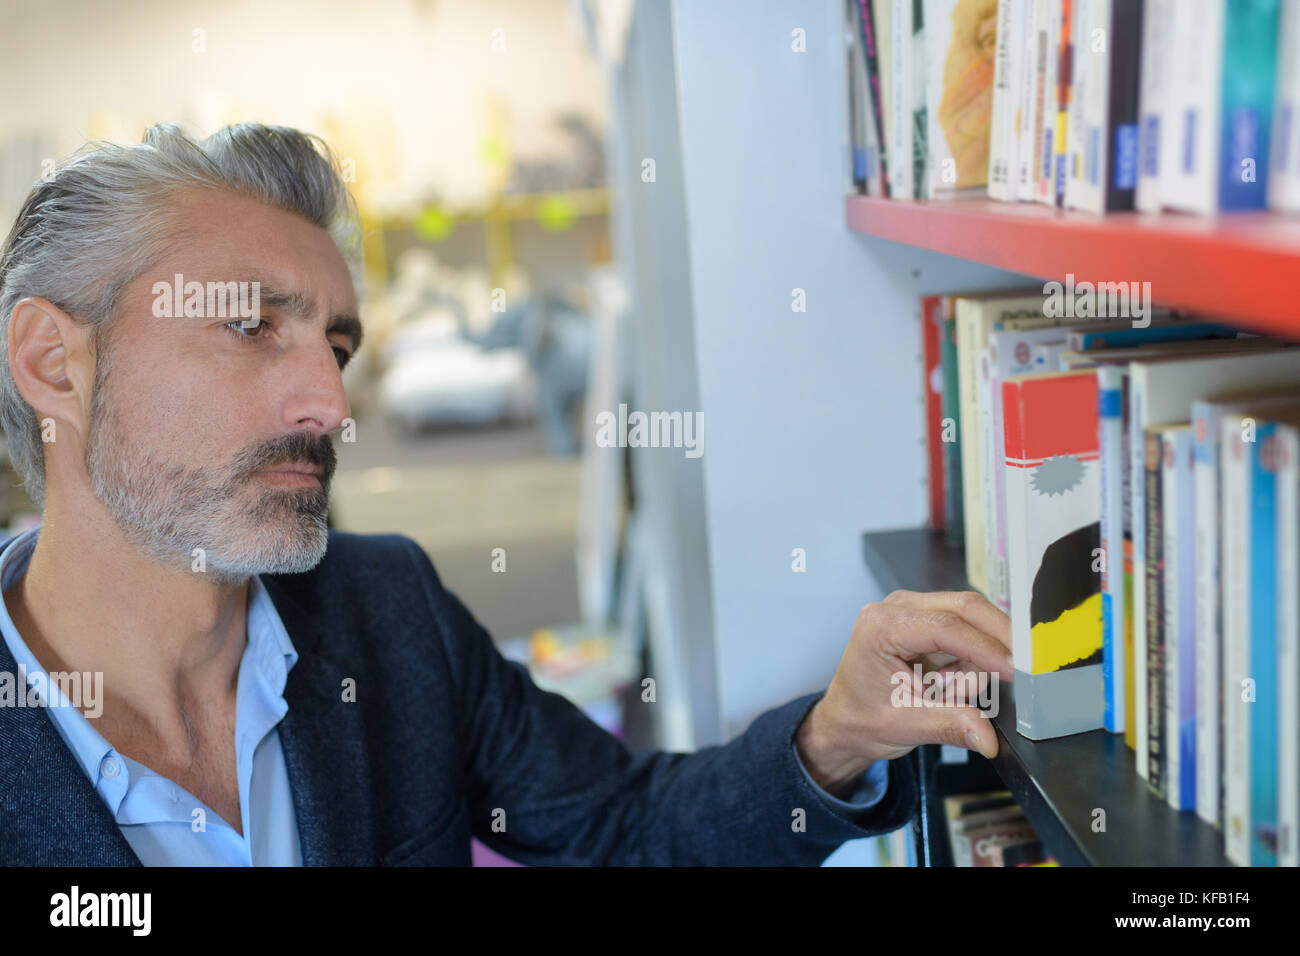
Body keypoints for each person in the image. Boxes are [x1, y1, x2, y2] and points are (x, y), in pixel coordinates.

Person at [0, 123, 1012, 865]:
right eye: (252, 325)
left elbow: (623, 830)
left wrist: (836, 732)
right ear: (55, 362)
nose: (331, 401)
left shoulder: (386, 608)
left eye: (338, 344)